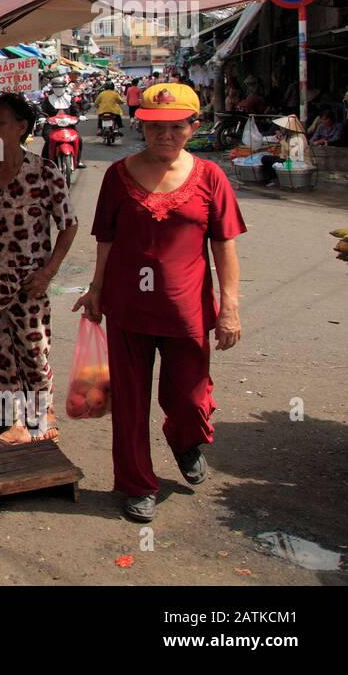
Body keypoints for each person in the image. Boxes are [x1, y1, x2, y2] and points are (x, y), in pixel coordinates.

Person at [73, 83, 245, 523]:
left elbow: (224, 246)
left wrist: (230, 308)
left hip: (187, 310)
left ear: (193, 127)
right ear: (141, 127)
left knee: (187, 397)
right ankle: (136, 484)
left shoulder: (210, 177)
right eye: (153, 127)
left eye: (174, 127)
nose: (163, 136)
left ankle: (186, 439)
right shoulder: (117, 175)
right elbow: (106, 239)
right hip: (127, 307)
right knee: (130, 403)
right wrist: (95, 289)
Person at [0, 93, 79, 447]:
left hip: (27, 281)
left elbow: (68, 225)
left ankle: (42, 414)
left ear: (21, 127)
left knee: (33, 350)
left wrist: (48, 273)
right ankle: (15, 424)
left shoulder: (44, 173)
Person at [40, 75, 84, 168]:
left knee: (79, 139)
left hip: (68, 126)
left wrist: (79, 117)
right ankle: (44, 161)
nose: (58, 89)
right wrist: (41, 117)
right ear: (52, 88)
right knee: (48, 139)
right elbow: (42, 111)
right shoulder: (47, 100)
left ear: (65, 87)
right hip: (52, 126)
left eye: (60, 87)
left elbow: (75, 111)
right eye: (55, 87)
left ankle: (78, 160)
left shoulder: (70, 98)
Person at [259, 116, 309, 186]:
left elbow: (294, 152)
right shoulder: (287, 136)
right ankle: (269, 180)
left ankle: (277, 179)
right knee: (265, 158)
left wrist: (282, 141)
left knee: (277, 162)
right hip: (287, 159)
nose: (282, 129)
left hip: (297, 161)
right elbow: (283, 152)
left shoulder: (300, 137)